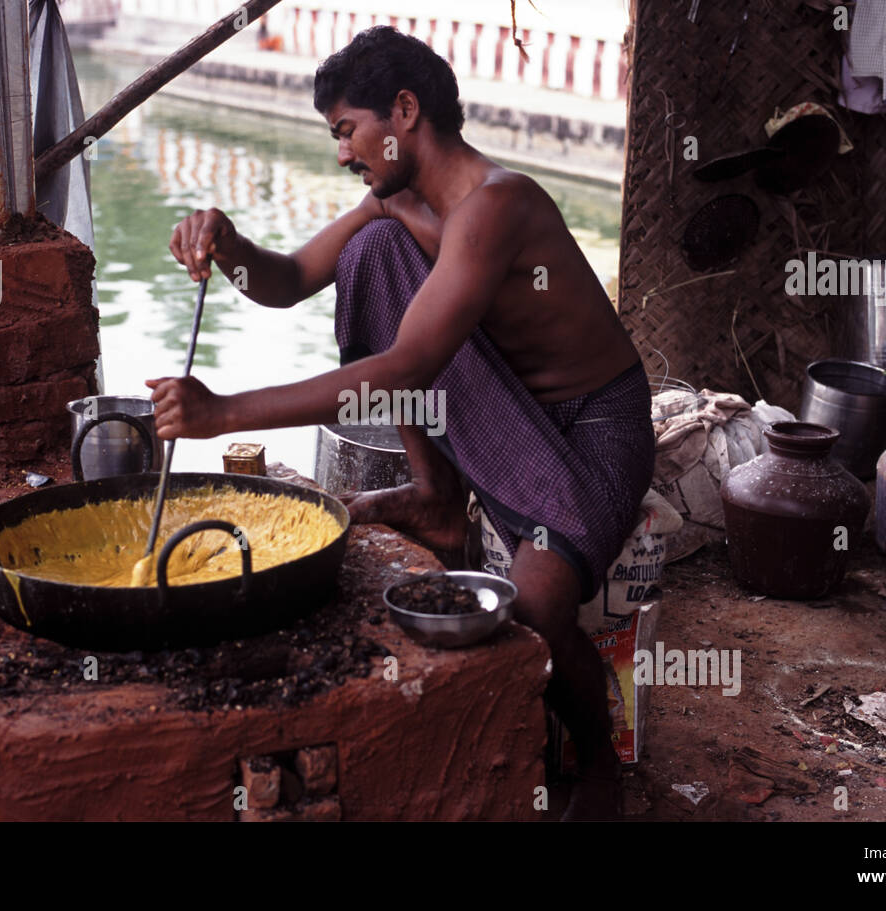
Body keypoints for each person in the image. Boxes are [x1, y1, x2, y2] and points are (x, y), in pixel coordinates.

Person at [148, 26, 654, 820]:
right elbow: (289, 281)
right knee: (370, 253)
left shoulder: (501, 205)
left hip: (597, 428)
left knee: (538, 607)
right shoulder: (396, 200)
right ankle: (435, 494)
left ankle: (599, 768)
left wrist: (223, 414)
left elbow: (407, 368)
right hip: (512, 411)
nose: (343, 152)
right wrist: (230, 242)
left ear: (404, 111)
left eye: (346, 130)